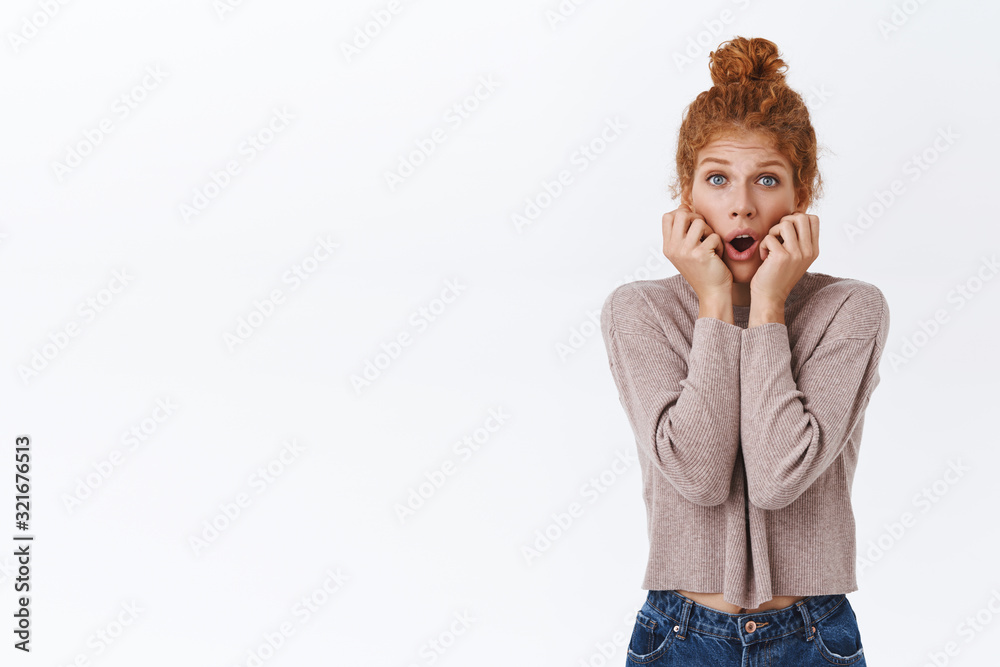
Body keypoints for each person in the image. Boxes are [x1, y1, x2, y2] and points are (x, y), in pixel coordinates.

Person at [599, 36, 889, 665]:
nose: (741, 206)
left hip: (812, 637)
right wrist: (712, 301)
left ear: (800, 196)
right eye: (717, 179)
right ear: (687, 194)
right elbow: (699, 477)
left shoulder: (850, 308)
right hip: (680, 635)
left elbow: (779, 476)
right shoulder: (638, 311)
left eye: (767, 179)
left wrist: (767, 305)